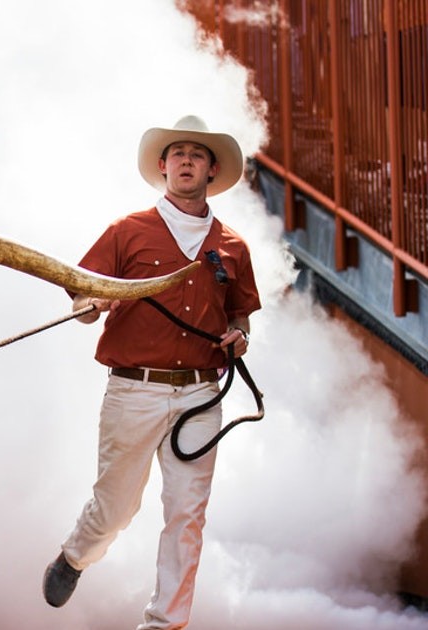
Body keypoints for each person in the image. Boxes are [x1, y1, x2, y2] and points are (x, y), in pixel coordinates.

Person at [41, 115, 261, 629]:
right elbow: (81, 297)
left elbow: (240, 317)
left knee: (187, 514)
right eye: (177, 153)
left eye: (197, 154)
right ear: (163, 166)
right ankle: (75, 555)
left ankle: (165, 624)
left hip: (201, 396)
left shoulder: (233, 246)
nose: (186, 161)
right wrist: (90, 303)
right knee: (116, 508)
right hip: (132, 390)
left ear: (211, 170)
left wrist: (240, 337)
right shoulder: (127, 231)